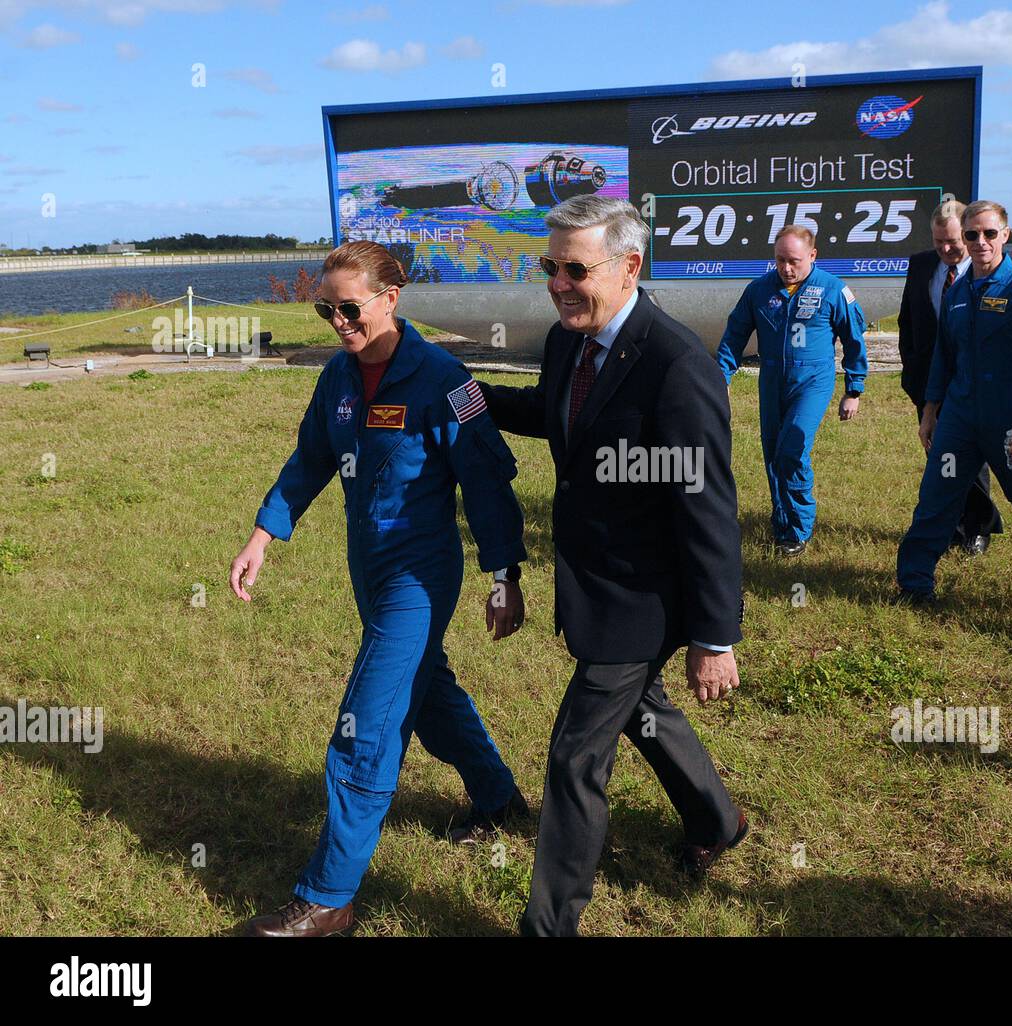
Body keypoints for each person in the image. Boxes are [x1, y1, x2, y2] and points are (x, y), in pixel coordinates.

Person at [229, 241, 529, 937]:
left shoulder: (446, 380)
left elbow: (488, 482)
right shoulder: (337, 377)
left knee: (365, 724)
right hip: (368, 565)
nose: (339, 321)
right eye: (326, 308)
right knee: (425, 694)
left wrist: (504, 574)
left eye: (351, 307)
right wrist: (262, 536)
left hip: (420, 576)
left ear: (392, 300)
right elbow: (309, 460)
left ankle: (328, 897)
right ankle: (498, 797)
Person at [480, 195, 746, 937]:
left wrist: (715, 636)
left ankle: (549, 925)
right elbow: (557, 415)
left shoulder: (677, 366)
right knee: (643, 713)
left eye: (575, 268)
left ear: (630, 266)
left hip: (645, 598)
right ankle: (717, 821)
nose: (559, 283)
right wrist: (470, 396)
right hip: (592, 582)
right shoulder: (572, 339)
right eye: (549, 267)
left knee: (574, 757)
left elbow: (708, 508)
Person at [896, 200, 1012, 604]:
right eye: (972, 234)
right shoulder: (958, 292)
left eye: (989, 234)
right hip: (959, 418)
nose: (980, 242)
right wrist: (930, 410)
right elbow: (943, 356)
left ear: (1005, 235)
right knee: (936, 497)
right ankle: (914, 584)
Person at [716, 224, 868, 556]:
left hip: (813, 380)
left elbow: (854, 339)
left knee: (792, 447)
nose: (786, 268)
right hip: (772, 379)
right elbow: (734, 335)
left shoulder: (832, 289)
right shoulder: (759, 290)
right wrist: (722, 376)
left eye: (794, 261)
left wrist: (853, 389)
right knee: (773, 453)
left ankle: (799, 527)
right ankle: (782, 524)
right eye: (780, 260)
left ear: (812, 256)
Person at [897, 198, 1003, 555]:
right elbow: (908, 323)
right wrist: (913, 374)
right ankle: (948, 527)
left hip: (974, 386)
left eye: (954, 242)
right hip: (929, 386)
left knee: (973, 462)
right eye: (938, 241)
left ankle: (976, 528)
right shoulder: (921, 266)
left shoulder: (988, 273)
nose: (946, 249)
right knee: (940, 459)